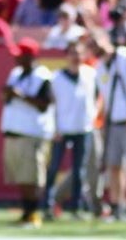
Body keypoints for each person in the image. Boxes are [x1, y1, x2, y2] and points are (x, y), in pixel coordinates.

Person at [1, 38, 54, 229]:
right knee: (21, 177)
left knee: (32, 176)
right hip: (14, 131)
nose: (17, 59)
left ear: (30, 56)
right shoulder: (15, 74)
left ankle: (34, 214)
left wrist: (20, 96)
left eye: (21, 56)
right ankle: (26, 214)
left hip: (32, 133)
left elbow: (45, 104)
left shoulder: (42, 76)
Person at [93, 30, 126, 221]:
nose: (96, 47)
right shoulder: (99, 67)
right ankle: (117, 205)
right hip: (112, 121)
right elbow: (104, 98)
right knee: (114, 166)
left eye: (98, 42)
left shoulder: (124, 56)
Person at [44, 40, 98, 220]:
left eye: (79, 53)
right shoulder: (57, 77)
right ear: (66, 55)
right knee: (53, 168)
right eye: (72, 53)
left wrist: (92, 117)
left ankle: (76, 207)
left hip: (83, 128)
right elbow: (52, 105)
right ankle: (48, 205)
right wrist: (54, 128)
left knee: (79, 170)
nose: (75, 57)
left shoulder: (90, 74)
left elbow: (97, 97)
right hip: (63, 128)